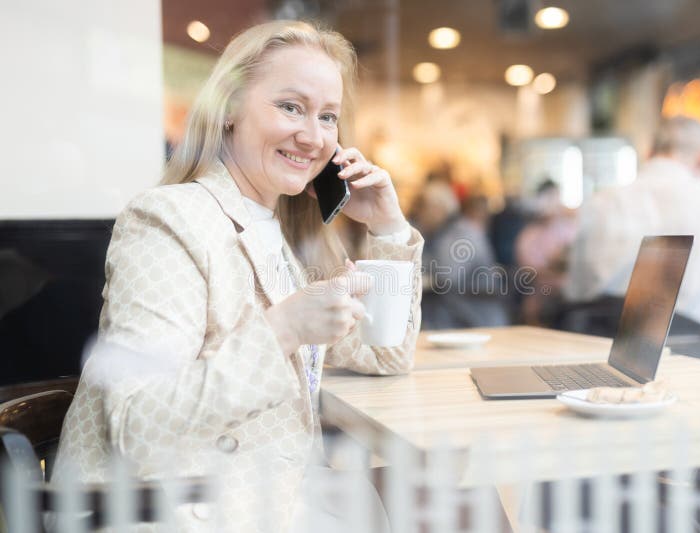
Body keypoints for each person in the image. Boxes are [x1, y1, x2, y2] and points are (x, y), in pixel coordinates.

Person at [51, 21, 423, 532]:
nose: (313, 136)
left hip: (267, 493)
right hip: (176, 510)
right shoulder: (167, 219)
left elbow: (385, 352)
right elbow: (140, 429)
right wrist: (286, 329)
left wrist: (388, 225)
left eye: (329, 116)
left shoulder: (275, 233)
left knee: (450, 500)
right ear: (228, 108)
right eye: (290, 106)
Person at [563, 116, 700, 336]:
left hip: (592, 340)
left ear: (649, 152)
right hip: (678, 348)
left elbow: (576, 290)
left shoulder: (601, 202)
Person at [422, 194, 510, 329]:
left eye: (424, 208)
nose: (421, 214)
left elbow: (448, 276)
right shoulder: (447, 231)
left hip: (476, 317)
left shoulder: (461, 232)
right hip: (461, 314)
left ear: (439, 208)